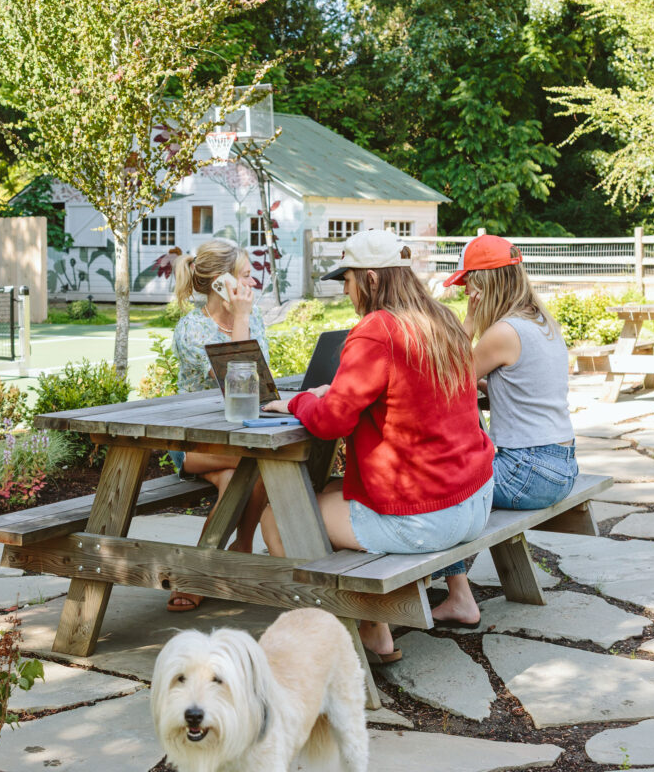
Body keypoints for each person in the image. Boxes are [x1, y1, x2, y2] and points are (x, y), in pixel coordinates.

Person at [262, 229, 494, 662]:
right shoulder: (442, 318)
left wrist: (300, 400)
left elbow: (331, 422)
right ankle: (374, 628)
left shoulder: (376, 330)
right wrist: (335, 393)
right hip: (474, 502)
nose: (345, 292)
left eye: (347, 280)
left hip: (426, 518)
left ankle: (329, 642)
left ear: (370, 278)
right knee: (328, 492)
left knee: (279, 516)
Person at [431, 233, 578, 626]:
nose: (467, 293)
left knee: (440, 489)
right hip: (561, 464)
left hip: (528, 470)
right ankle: (455, 592)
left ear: (485, 284)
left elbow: (446, 380)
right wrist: (489, 385)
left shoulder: (502, 332)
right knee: (461, 483)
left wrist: (468, 322)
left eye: (469, 285)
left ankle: (457, 596)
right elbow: (524, 383)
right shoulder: (540, 321)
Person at [165, 238, 270, 611]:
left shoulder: (253, 318)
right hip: (193, 442)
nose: (252, 283)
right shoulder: (192, 329)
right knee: (261, 460)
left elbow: (260, 386)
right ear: (221, 284)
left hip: (237, 438)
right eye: (245, 275)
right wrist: (241, 317)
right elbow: (240, 385)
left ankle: (204, 569)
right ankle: (240, 551)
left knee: (238, 475)